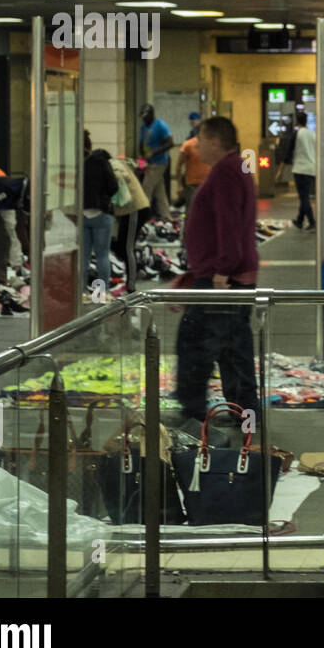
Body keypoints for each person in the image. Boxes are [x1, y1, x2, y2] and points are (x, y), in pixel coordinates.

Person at [174, 116, 259, 424]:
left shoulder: (225, 172)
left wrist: (223, 270)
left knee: (195, 343)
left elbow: (229, 225)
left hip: (221, 278)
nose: (196, 147)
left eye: (199, 140)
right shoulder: (237, 168)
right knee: (233, 349)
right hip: (228, 274)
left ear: (213, 141)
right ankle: (244, 411)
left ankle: (193, 410)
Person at [81, 130, 119, 291]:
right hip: (102, 213)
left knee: (84, 257)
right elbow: (113, 187)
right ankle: (101, 292)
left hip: (81, 213)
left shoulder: (74, 162)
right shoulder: (101, 161)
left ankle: (81, 292)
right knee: (102, 255)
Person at [111, 154, 150, 291]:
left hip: (134, 209)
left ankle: (131, 285)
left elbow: (121, 177)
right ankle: (135, 265)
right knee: (121, 245)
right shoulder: (116, 162)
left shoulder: (112, 165)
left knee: (127, 247)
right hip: (130, 210)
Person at [138, 104, 173, 220]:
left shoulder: (160, 125)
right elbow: (142, 145)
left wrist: (154, 152)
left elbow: (170, 143)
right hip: (148, 162)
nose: (144, 119)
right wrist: (141, 163)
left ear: (151, 115)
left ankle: (142, 218)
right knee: (159, 191)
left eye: (145, 117)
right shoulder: (144, 127)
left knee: (146, 189)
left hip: (159, 162)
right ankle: (166, 216)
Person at [291, 110, 317, 230]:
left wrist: (281, 169)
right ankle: (300, 221)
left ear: (297, 121)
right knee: (304, 196)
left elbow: (289, 151)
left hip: (300, 169)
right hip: (311, 169)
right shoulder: (313, 134)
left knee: (304, 197)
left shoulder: (297, 133)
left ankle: (312, 221)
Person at [179, 130, 209, 224]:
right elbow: (178, 166)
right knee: (190, 213)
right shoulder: (188, 145)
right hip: (192, 185)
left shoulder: (211, 146)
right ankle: (187, 236)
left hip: (207, 185)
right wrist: (179, 185)